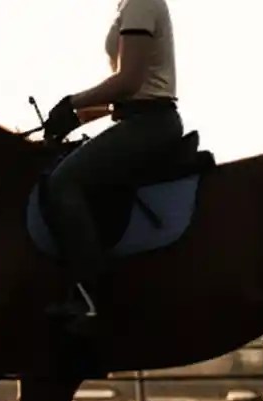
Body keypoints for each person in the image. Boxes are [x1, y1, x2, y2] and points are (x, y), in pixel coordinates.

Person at [42, 0, 183, 325]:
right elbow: (129, 96)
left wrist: (71, 102)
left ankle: (90, 299)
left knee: (64, 182)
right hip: (135, 119)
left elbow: (130, 82)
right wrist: (76, 118)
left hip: (149, 125)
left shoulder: (139, 4)